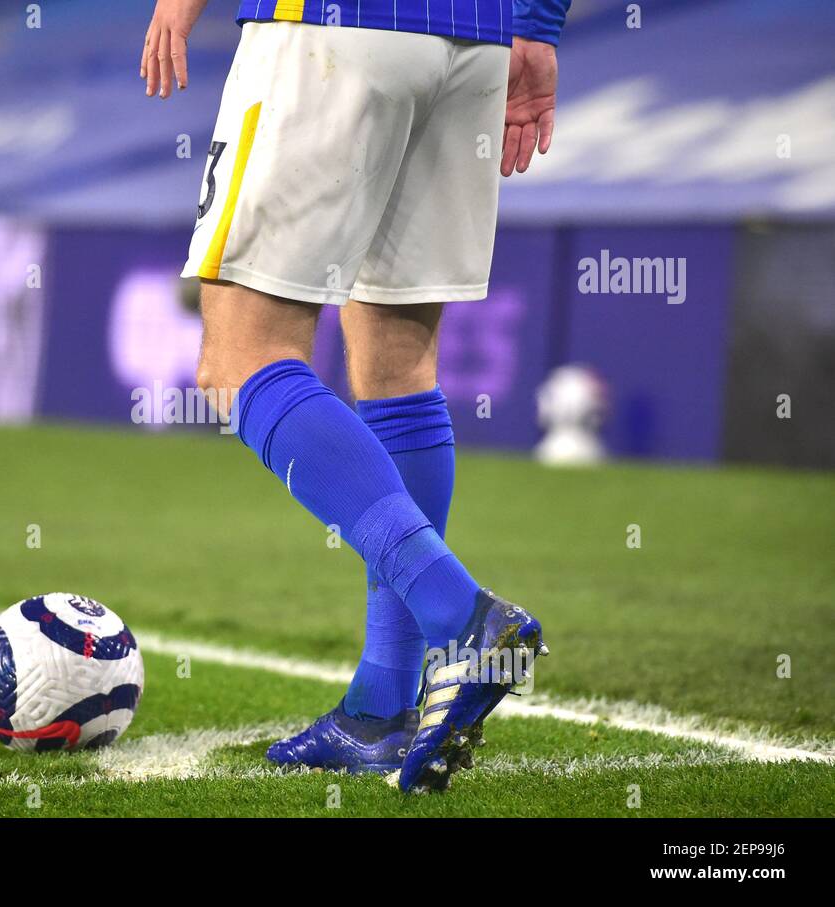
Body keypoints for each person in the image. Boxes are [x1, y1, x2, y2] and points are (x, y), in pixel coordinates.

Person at [141, 0, 569, 792]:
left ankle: (464, 617)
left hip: (333, 28)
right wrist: (538, 26)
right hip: (476, 41)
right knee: (397, 360)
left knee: (238, 356)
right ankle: (380, 709)